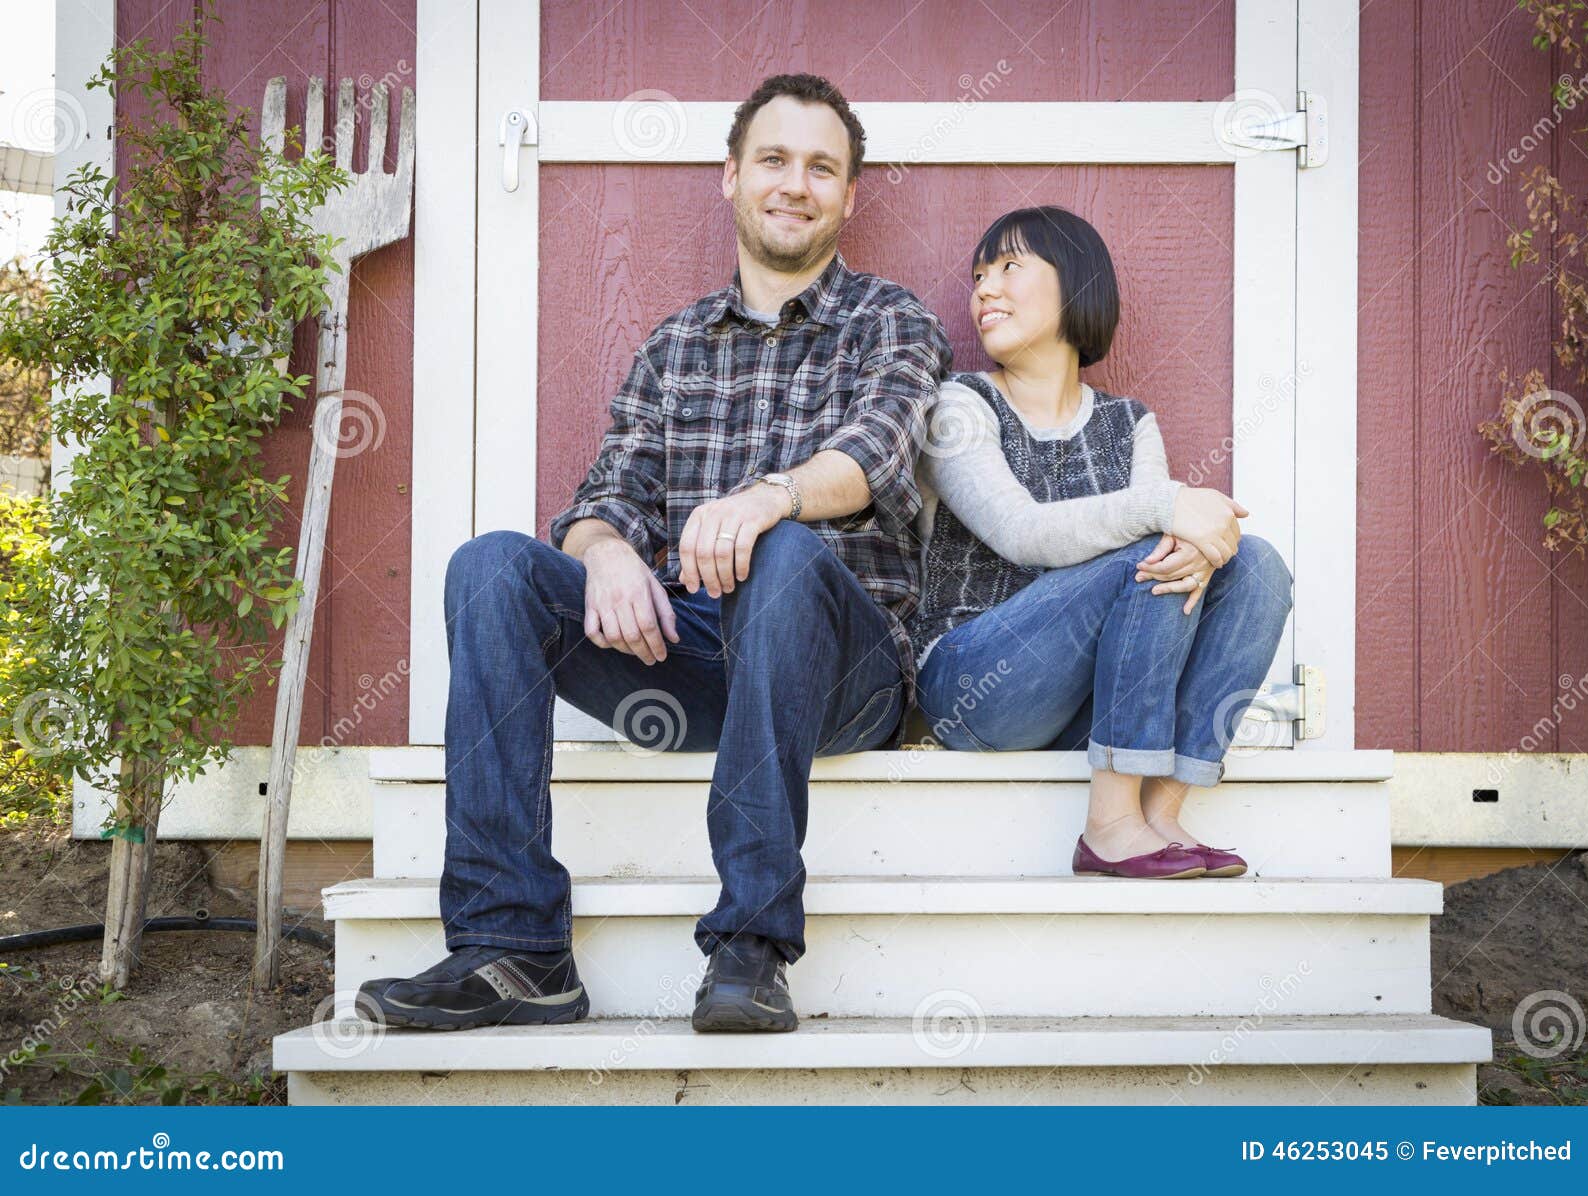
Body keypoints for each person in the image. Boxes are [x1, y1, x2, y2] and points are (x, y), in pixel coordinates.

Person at [356, 74, 951, 1033]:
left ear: (849, 195)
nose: (794, 183)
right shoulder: (675, 345)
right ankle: (515, 949)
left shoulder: (893, 322)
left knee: (790, 551)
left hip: (845, 677)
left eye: (821, 167)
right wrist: (604, 555)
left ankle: (751, 944)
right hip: (696, 664)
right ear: (730, 177)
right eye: (773, 159)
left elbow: (876, 451)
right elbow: (606, 499)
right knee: (491, 568)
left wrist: (768, 499)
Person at [910, 205, 1293, 879]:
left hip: (1087, 705)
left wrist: (1198, 547)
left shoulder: (1129, 423)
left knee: (1256, 565)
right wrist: (1171, 505)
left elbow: (1164, 551)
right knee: (1143, 557)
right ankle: (1109, 828)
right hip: (975, 687)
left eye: (1008, 268)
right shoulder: (958, 405)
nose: (984, 290)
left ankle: (1161, 813)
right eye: (978, 276)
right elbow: (1020, 531)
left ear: (1076, 285)